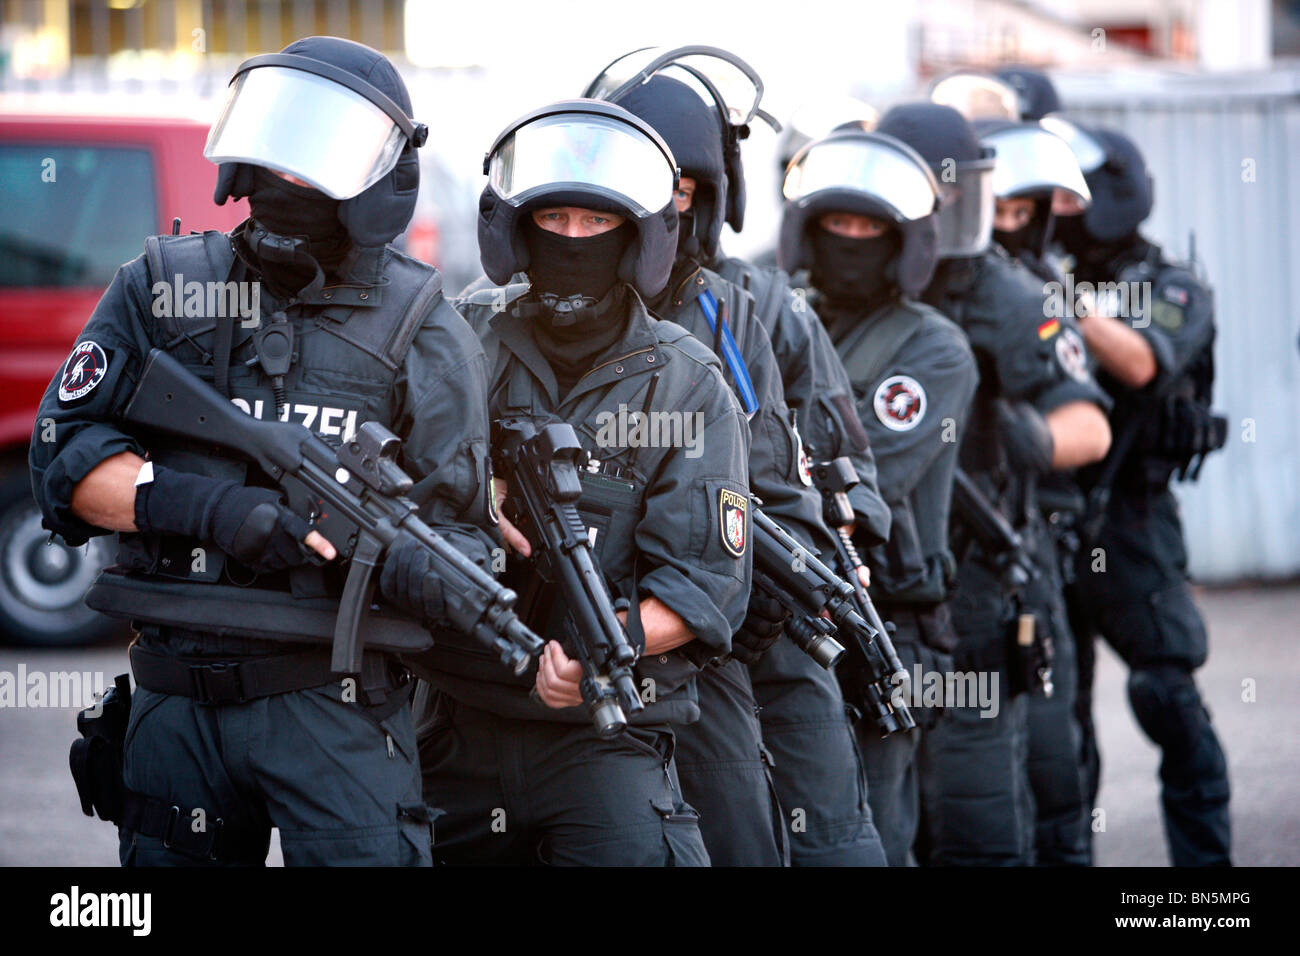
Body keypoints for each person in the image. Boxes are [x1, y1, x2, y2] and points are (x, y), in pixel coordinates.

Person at [29, 36, 494, 866]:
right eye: (278, 155)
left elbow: (462, 529)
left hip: (336, 706)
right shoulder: (162, 286)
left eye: (318, 164)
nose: (291, 183)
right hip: (174, 696)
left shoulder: (427, 329)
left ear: (379, 180)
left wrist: (417, 570)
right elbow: (64, 464)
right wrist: (212, 509)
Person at [416, 98, 752, 866]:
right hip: (453, 722)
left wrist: (607, 646)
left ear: (637, 235)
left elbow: (707, 584)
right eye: (555, 219)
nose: (572, 240)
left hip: (606, 732)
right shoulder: (458, 338)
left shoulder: (687, 383)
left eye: (595, 224)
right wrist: (474, 500)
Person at [604, 56, 888, 866]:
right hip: (631, 627)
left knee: (832, 840)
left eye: (683, 185)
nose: (664, 204)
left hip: (776, 620)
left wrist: (779, 578)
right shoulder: (535, 313)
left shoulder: (760, 309)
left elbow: (845, 483)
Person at [876, 102, 1113, 865]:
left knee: (1008, 800)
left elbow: (1091, 427)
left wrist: (1024, 435)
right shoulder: (835, 287)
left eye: (954, 193)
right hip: (868, 586)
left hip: (982, 578)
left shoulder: (1012, 298)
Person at [778, 127, 978, 866]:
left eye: (870, 228)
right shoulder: (777, 315)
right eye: (839, 224)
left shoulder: (933, 346)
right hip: (787, 620)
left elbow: (861, 480)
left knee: (874, 838)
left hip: (886, 623)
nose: (853, 241)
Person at [1054, 123, 1231, 867]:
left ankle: (1203, 887)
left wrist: (1056, 297)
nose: (1056, 206)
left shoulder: (1170, 283)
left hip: (1132, 518)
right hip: (1046, 516)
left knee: (1166, 696)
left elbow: (1141, 364)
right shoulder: (1030, 273)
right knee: (1055, 723)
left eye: (1072, 192)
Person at [979, 116, 1099, 865]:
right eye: (987, 210)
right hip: (905, 575)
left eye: (1017, 213)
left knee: (1050, 767)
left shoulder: (1034, 299)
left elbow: (1089, 427)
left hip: (1022, 550)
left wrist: (1025, 438)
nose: (999, 230)